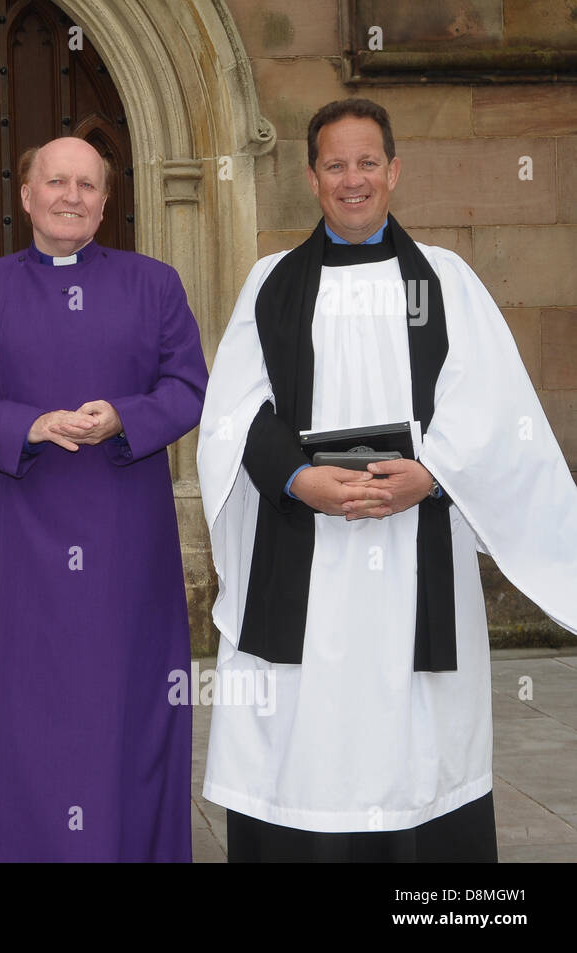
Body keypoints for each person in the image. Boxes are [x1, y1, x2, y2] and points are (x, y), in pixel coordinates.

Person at [197, 98, 577, 861]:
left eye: (368, 162)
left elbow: (495, 404)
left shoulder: (445, 278)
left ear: (395, 170)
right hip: (305, 546)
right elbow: (235, 415)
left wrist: (432, 474)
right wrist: (301, 480)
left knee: (417, 742)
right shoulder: (272, 283)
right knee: (305, 739)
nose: (353, 179)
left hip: (414, 546)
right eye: (335, 164)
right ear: (312, 178)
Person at [0, 136, 208, 861]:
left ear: (106, 199)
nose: (71, 196)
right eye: (55, 181)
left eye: (87, 185)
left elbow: (188, 387)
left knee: (123, 714)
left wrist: (125, 416)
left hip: (126, 545)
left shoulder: (156, 284)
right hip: (16, 547)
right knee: (21, 718)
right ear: (25, 194)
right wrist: (25, 424)